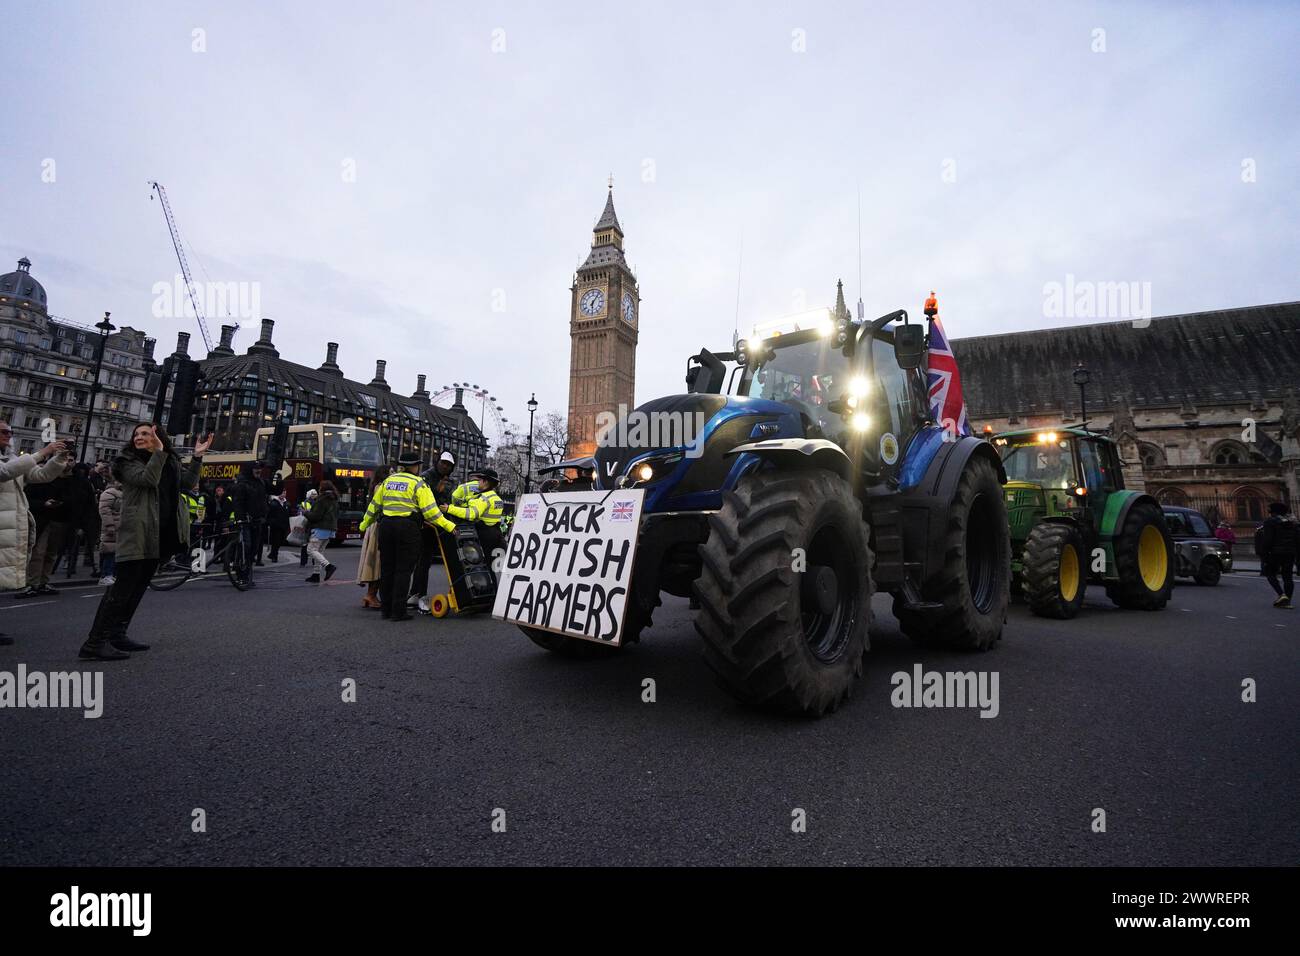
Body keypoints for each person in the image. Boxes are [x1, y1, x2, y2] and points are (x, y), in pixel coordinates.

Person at [79, 424, 211, 660]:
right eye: (136, 434)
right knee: (121, 589)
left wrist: (198, 457)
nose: (139, 437)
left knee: (138, 588)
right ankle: (95, 641)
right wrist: (159, 453)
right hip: (138, 531)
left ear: (158, 438)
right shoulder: (127, 462)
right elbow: (148, 479)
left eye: (145, 434)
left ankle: (118, 634)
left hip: (161, 533)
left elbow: (187, 484)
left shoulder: (169, 461)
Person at [359, 452, 455, 621]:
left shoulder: (388, 481)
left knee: (387, 569)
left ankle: (386, 610)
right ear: (414, 466)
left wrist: (363, 525)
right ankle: (398, 611)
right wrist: (449, 526)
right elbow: (431, 512)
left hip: (386, 527)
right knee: (403, 571)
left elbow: (374, 506)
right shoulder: (418, 483)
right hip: (408, 528)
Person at [0, 425, 69, 645]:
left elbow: (41, 475)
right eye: (3, 432)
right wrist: (43, 452)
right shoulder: (10, 463)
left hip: (9, 524)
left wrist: (58, 458)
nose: (8, 436)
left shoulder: (10, 458)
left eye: (10, 432)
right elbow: (4, 473)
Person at [19, 457, 91, 597]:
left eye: (71, 460)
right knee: (38, 552)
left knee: (51, 553)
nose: (67, 463)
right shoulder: (44, 477)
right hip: (42, 519)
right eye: (65, 460)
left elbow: (82, 502)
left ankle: (43, 582)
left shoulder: (77, 481)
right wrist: (44, 504)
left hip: (62, 520)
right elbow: (27, 498)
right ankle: (32, 583)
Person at [410, 451, 458, 606]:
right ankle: (417, 594)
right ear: (438, 462)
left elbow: (447, 502)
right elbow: (424, 502)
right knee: (423, 560)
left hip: (442, 523)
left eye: (449, 465)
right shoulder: (426, 477)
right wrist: (438, 490)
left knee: (451, 559)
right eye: (443, 462)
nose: (445, 466)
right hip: (427, 525)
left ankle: (459, 594)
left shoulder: (448, 480)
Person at [446, 467, 507, 557]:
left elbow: (471, 514)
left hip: (485, 536)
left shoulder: (484, 499)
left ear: (486, 482)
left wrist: (449, 509)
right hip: (497, 535)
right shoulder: (497, 498)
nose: (478, 482)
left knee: (485, 564)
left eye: (480, 480)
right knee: (496, 565)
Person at [229, 462, 269, 585]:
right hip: (245, 521)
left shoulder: (261, 483)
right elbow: (238, 502)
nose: (259, 471)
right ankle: (242, 575)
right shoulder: (243, 484)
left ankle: (247, 574)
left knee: (254, 549)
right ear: (250, 470)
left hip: (257, 521)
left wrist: (278, 479)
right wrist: (240, 518)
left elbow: (274, 490)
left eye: (260, 469)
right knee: (246, 547)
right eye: (256, 469)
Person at [355, 466, 390, 609]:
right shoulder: (381, 487)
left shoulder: (375, 486)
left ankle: (370, 595)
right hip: (379, 526)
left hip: (373, 525)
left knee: (374, 562)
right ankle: (371, 595)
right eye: (392, 472)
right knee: (378, 563)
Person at [1258, 501, 1296, 609]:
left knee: (1270, 573)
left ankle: (1282, 595)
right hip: (1290, 552)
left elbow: (1268, 539)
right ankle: (1287, 601)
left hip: (1276, 552)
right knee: (1287, 576)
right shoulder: (1291, 522)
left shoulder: (1270, 521)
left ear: (1273, 511)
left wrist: (1264, 552)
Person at [304, 480, 340, 583]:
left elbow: (315, 516)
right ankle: (316, 574)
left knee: (310, 550)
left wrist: (306, 513)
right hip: (330, 530)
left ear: (322, 489)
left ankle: (328, 566)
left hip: (320, 529)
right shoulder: (335, 500)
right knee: (319, 551)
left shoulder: (322, 499)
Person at [97, 477, 123, 586]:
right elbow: (105, 510)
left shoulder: (121, 492)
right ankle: (106, 575)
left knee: (116, 552)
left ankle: (112, 575)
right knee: (110, 552)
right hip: (112, 527)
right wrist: (110, 525)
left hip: (120, 526)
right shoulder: (109, 493)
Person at [266, 493, 290, 563]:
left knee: (281, 541)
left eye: (285, 493)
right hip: (275, 525)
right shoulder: (273, 503)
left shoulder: (287, 503)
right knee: (275, 541)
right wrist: (271, 522)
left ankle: (272, 554)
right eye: (282, 493)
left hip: (284, 525)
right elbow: (269, 514)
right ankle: (274, 557)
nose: (284, 494)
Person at [298, 488, 317, 566]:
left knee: (306, 545)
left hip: (307, 526)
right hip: (311, 526)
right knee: (313, 545)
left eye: (315, 494)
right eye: (313, 494)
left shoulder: (305, 503)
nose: (315, 496)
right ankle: (313, 561)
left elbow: (300, 513)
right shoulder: (316, 503)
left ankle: (304, 562)